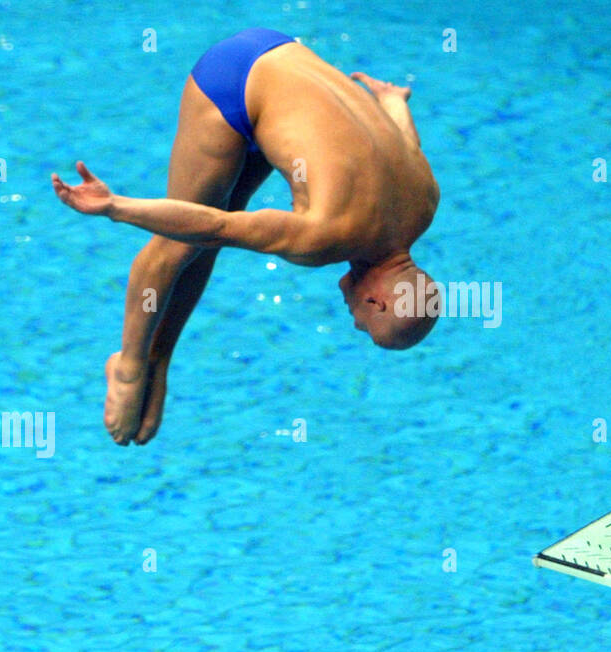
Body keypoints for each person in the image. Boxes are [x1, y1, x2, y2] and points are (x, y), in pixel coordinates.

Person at [52, 28, 441, 445]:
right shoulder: (327, 237)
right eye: (365, 326)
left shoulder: (425, 201)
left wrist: (392, 102)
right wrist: (116, 206)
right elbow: (213, 225)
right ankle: (129, 366)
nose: (354, 323)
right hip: (232, 79)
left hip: (284, 54)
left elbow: (406, 142)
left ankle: (158, 359)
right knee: (178, 243)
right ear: (377, 301)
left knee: (208, 238)